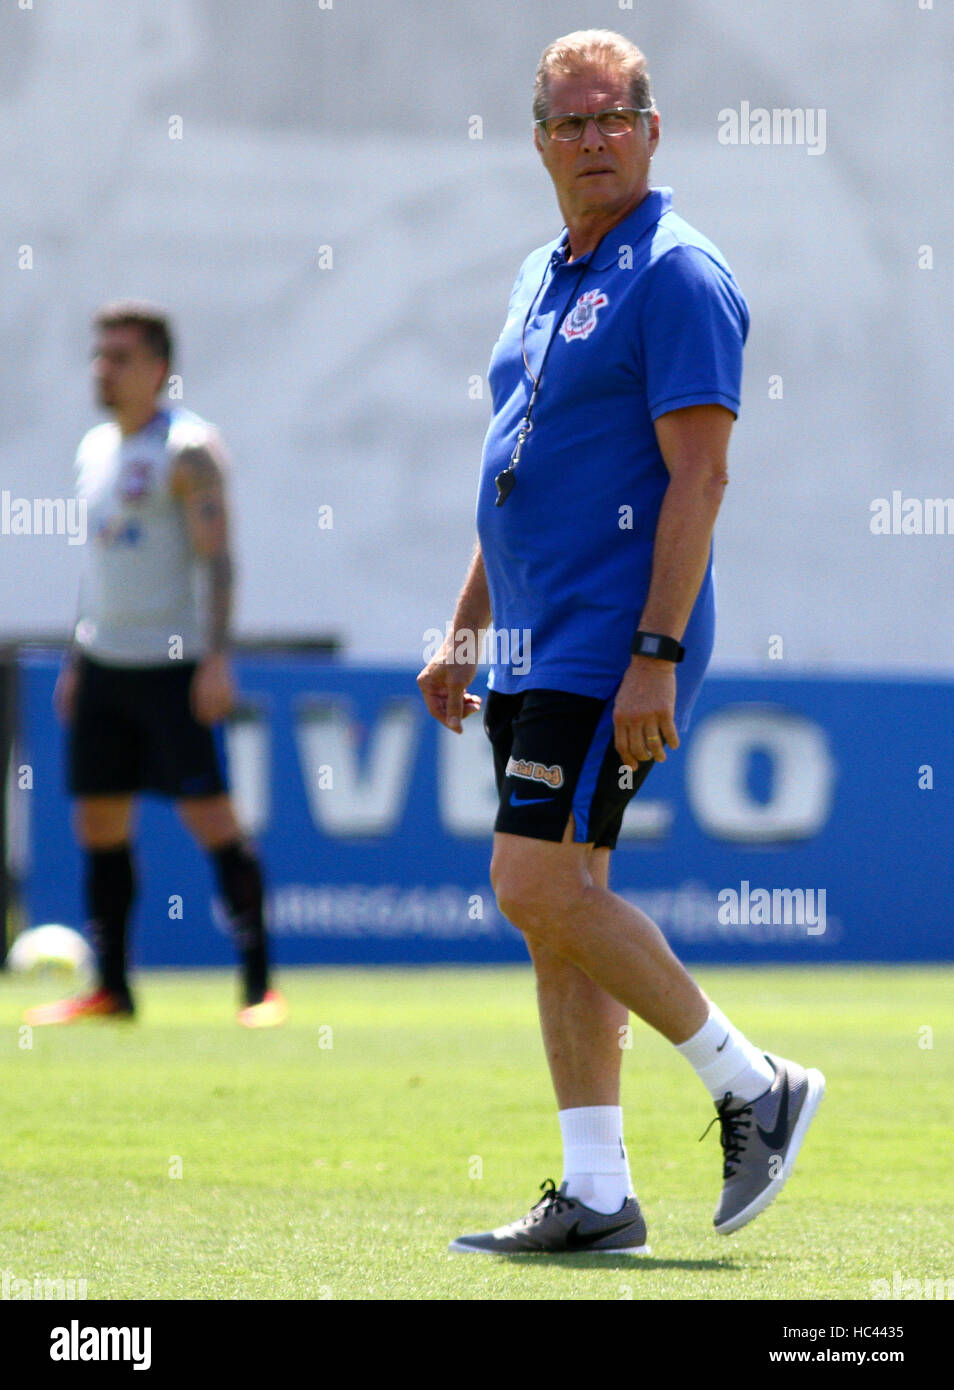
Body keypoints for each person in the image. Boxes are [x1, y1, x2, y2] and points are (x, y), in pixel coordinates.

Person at [417, 29, 823, 1253]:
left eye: (614, 118)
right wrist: (464, 629)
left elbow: (698, 479)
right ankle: (597, 1190)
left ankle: (755, 1082)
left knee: (532, 881)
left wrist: (656, 649)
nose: (593, 140)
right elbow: (523, 470)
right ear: (537, 140)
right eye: (569, 122)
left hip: (612, 643)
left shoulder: (679, 274)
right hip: (538, 642)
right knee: (563, 903)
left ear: (654, 129)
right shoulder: (543, 273)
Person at [27, 301, 285, 1029]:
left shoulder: (189, 450)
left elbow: (219, 560)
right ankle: (112, 989)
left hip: (172, 668)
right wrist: (80, 655)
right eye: (98, 356)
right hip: (106, 662)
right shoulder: (95, 448)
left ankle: (259, 988)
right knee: (100, 824)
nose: (102, 371)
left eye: (119, 358)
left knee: (213, 821)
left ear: (158, 370)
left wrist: (216, 659)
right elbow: (100, 567)